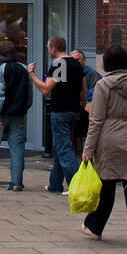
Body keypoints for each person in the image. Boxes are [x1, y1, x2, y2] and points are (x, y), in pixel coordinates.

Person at [80, 44, 127, 247]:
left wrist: (87, 149)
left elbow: (96, 120)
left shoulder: (103, 85)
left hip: (109, 141)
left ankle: (94, 227)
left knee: (106, 187)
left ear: (106, 64)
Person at [28, 36, 87, 194]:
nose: (48, 49)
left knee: (64, 149)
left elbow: (46, 89)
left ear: (54, 47)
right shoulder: (76, 63)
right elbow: (84, 89)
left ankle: (77, 185)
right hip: (74, 110)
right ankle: (55, 184)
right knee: (59, 147)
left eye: (48, 47)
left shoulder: (60, 64)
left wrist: (32, 74)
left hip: (61, 111)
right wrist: (81, 106)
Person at [0, 41, 33, 190]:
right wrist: (24, 108)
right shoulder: (24, 68)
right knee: (17, 147)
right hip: (19, 113)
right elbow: (29, 94)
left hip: (2, 114)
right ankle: (16, 181)